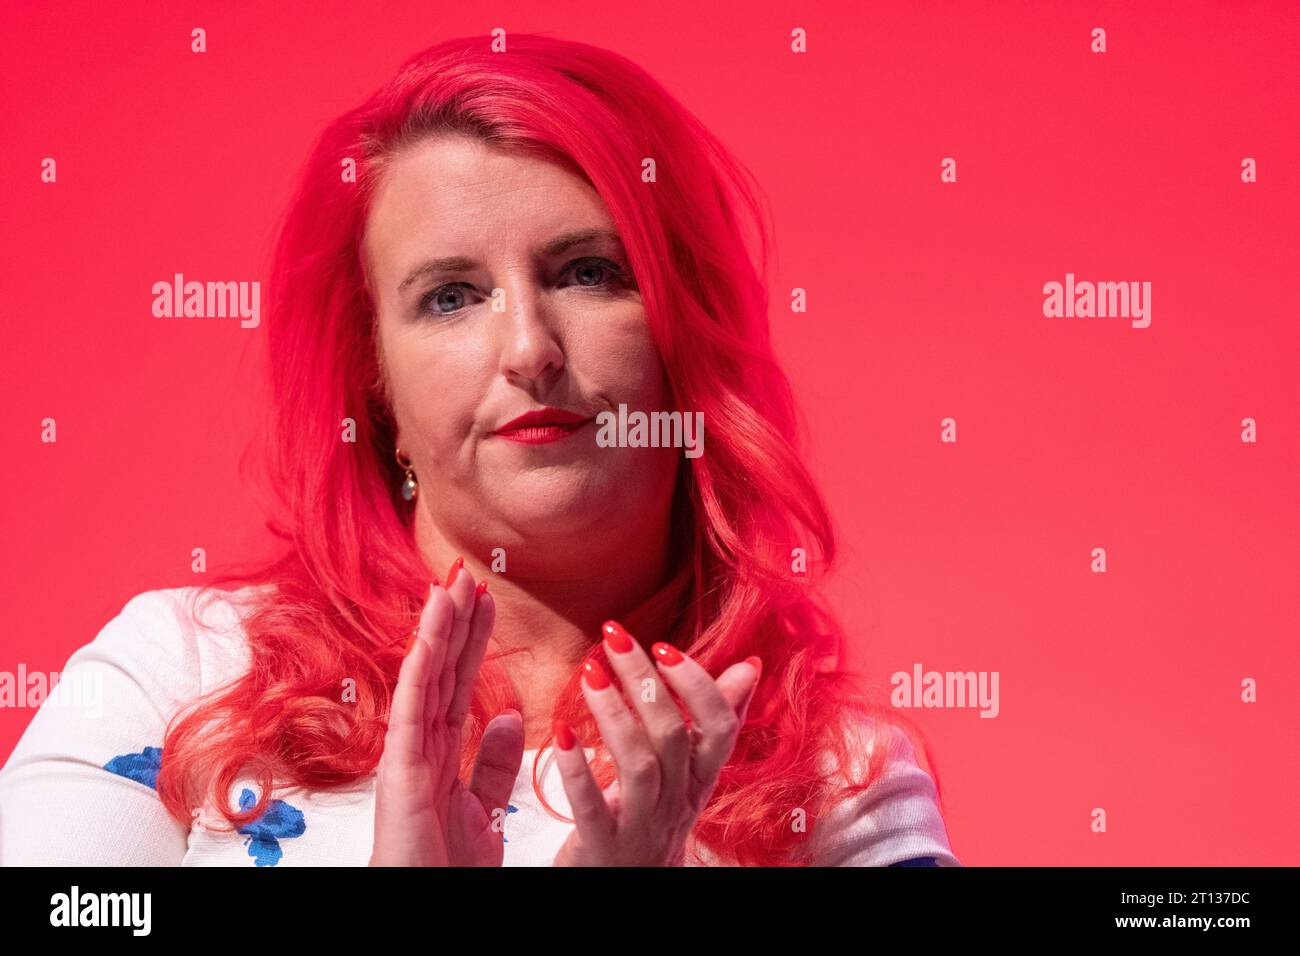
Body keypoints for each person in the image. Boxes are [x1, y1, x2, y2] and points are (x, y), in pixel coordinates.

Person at [0, 33, 959, 867]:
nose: (530, 348)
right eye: (451, 296)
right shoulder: (177, 679)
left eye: (589, 273)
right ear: (376, 382)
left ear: (686, 333)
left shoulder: (839, 785)